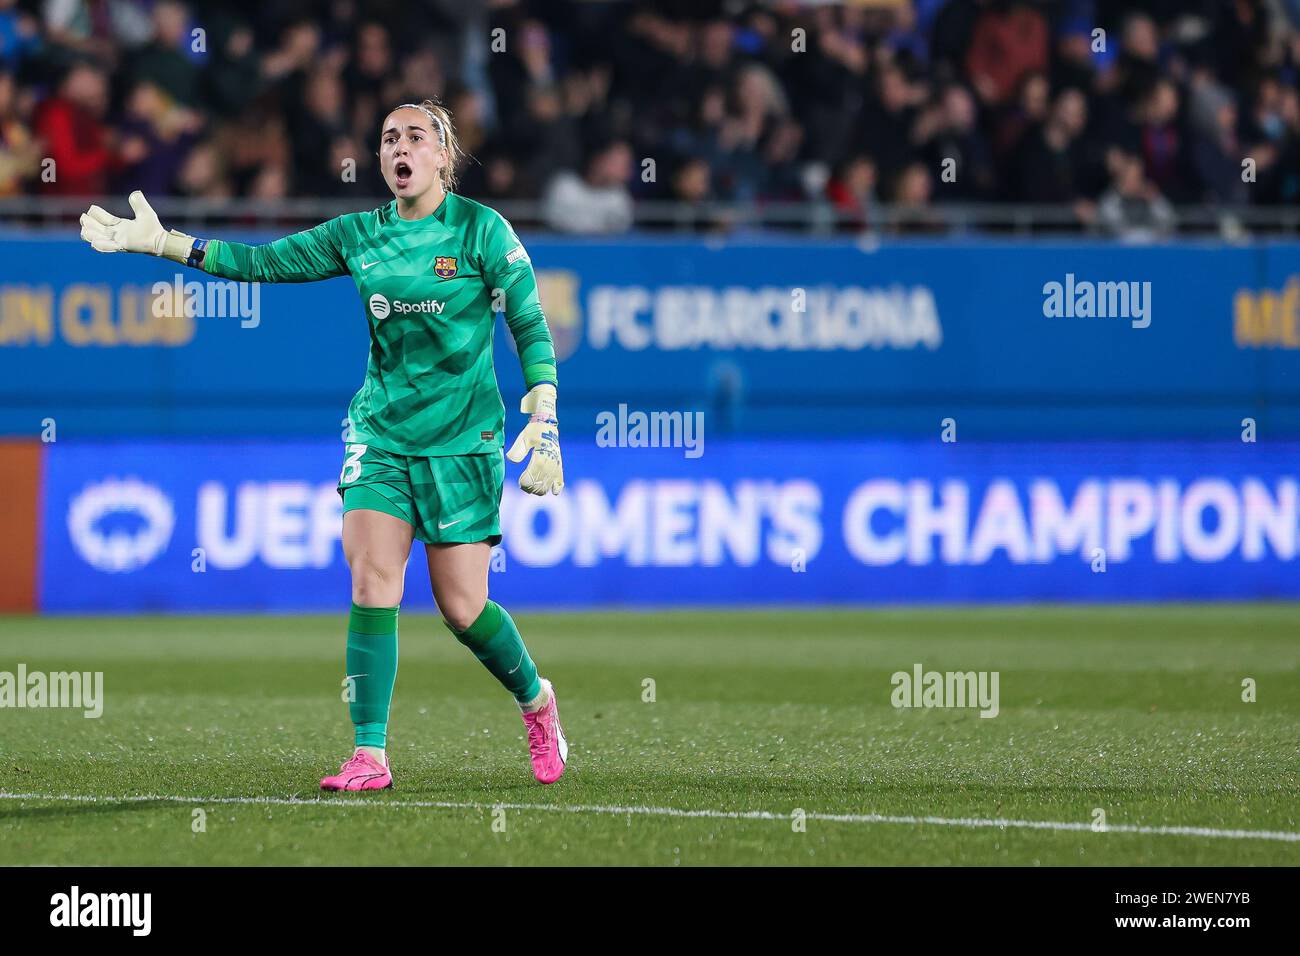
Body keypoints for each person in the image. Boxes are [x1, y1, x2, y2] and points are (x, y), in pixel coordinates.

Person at [79, 99, 570, 790]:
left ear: (442, 157)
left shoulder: (481, 230)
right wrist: (166, 245)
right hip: (381, 435)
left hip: (464, 440)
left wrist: (544, 411)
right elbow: (260, 263)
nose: (400, 147)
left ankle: (536, 701)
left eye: (415, 137)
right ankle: (370, 753)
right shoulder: (357, 234)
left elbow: (528, 319)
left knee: (462, 608)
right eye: (388, 138)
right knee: (373, 579)